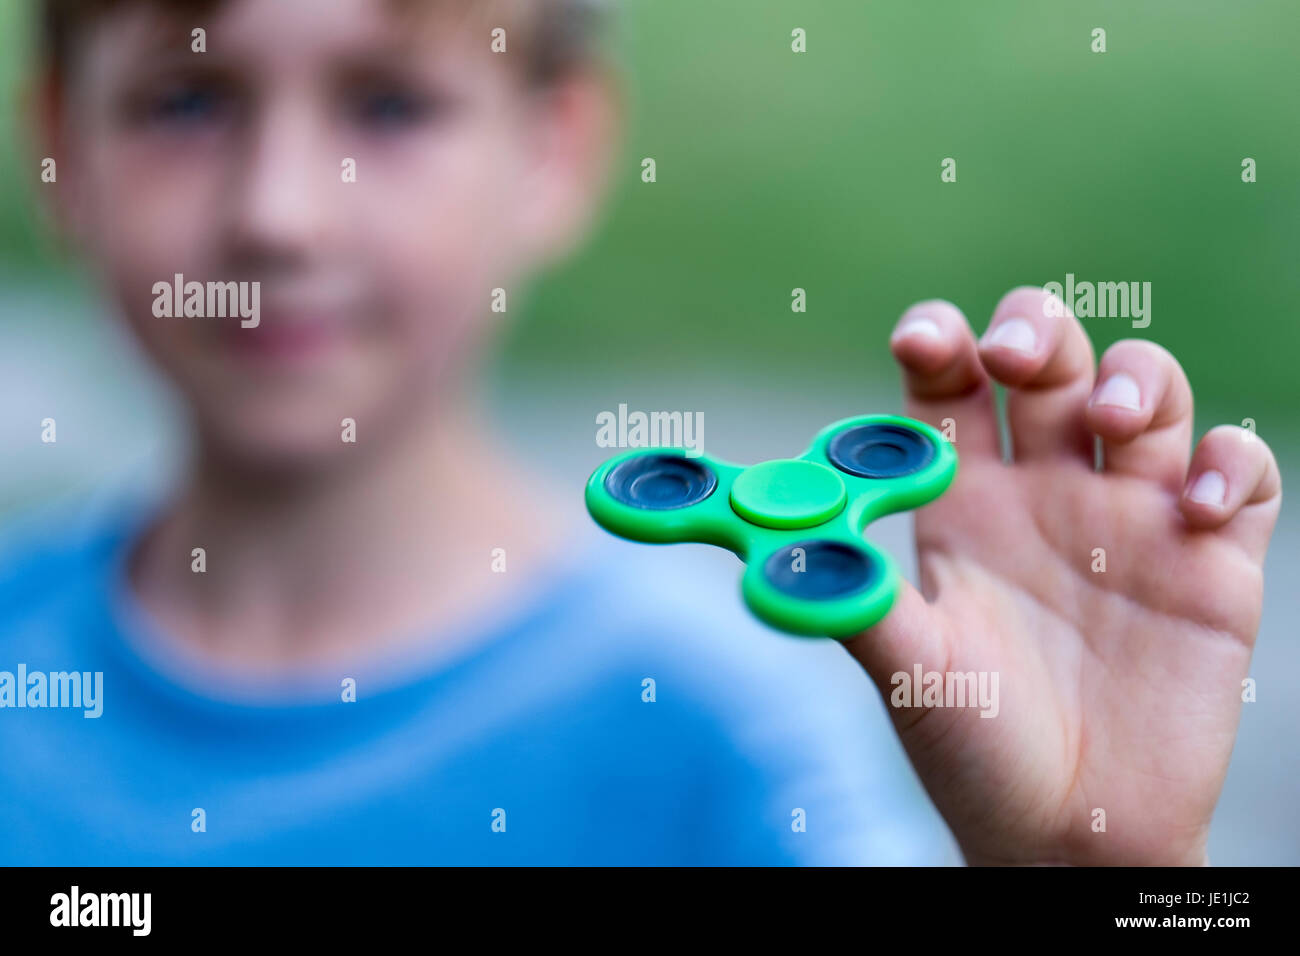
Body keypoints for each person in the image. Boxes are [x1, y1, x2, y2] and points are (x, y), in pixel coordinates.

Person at [0, 0, 1280, 866]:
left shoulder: (723, 729)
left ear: (555, 151)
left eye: (387, 107)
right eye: (184, 103)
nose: (278, 212)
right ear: (57, 147)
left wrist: (1106, 872)